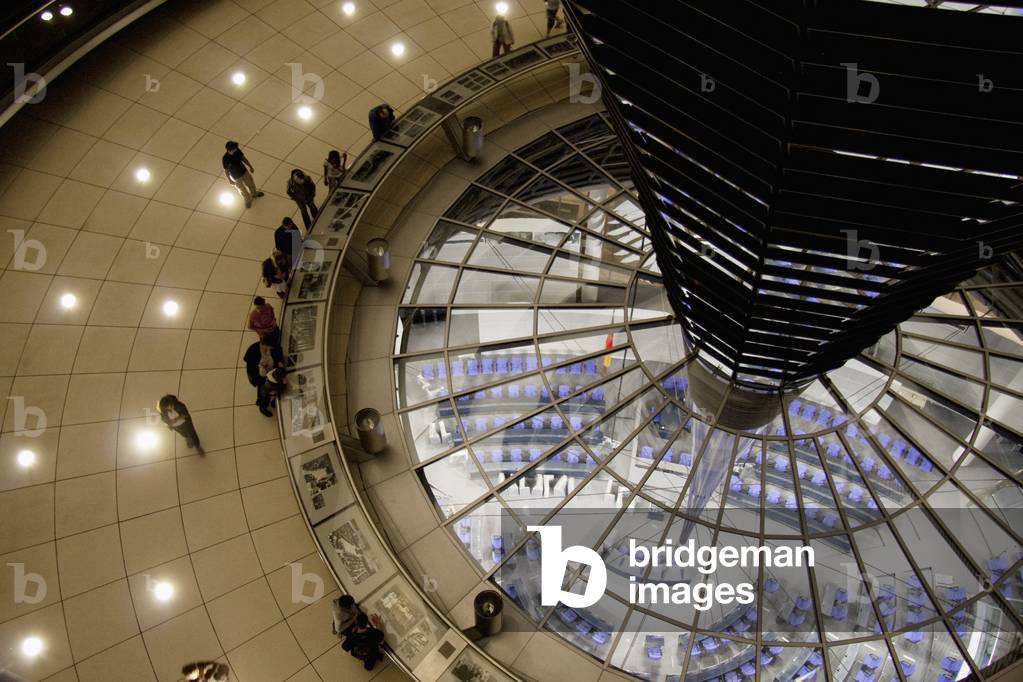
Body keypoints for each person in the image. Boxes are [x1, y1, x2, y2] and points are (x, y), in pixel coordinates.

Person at [222, 141, 264, 208]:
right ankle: (247, 200)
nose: (236, 149)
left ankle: (254, 194)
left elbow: (243, 159)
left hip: (244, 172)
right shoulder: (225, 159)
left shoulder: (237, 151)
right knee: (242, 190)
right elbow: (226, 170)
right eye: (235, 148)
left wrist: (250, 166)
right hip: (236, 177)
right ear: (230, 149)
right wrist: (230, 180)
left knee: (251, 184)